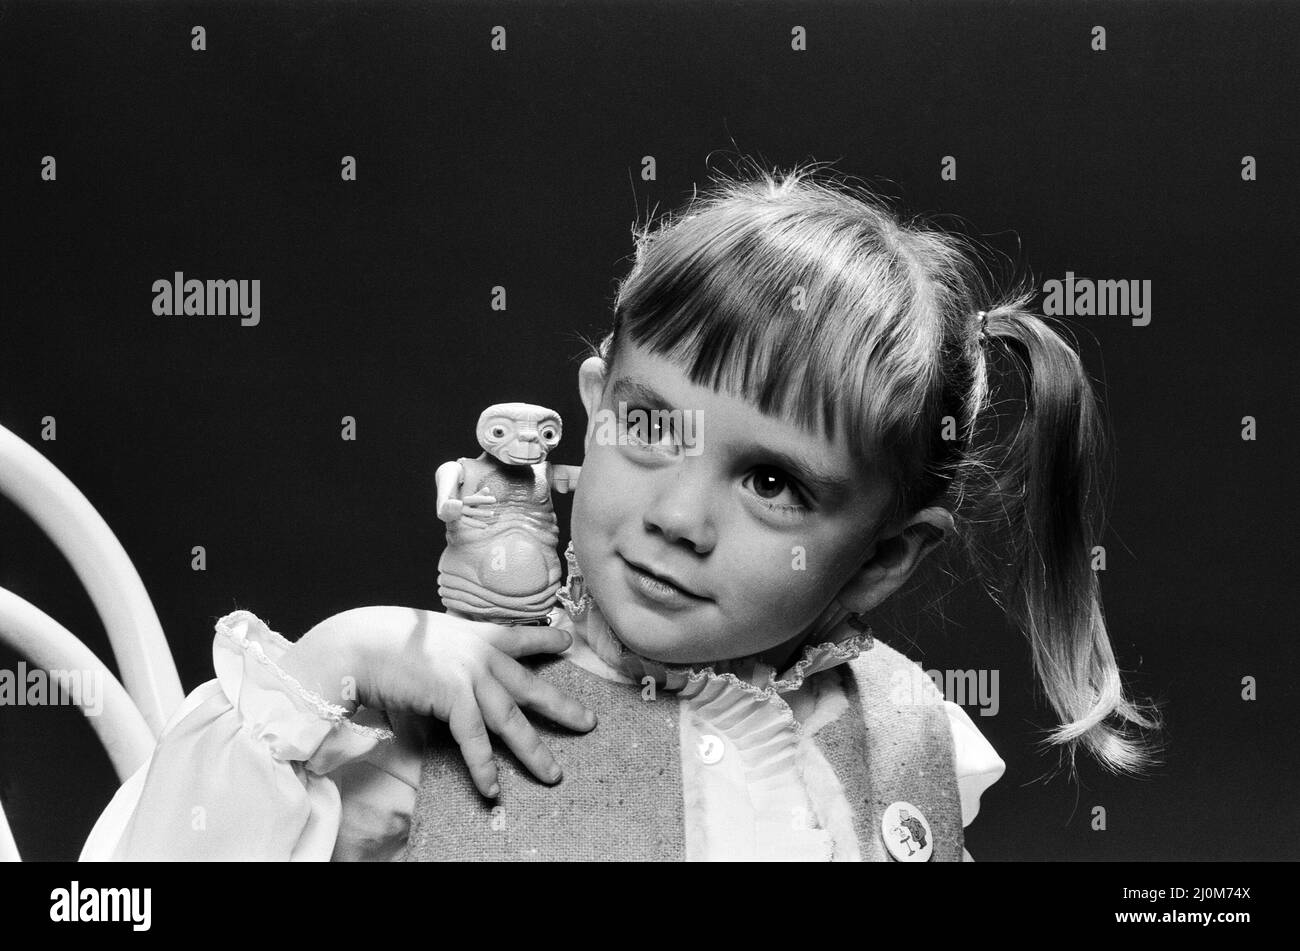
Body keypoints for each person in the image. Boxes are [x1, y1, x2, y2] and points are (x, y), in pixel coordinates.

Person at [81, 162, 1161, 861]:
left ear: (881, 560)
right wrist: (329, 668)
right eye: (654, 430)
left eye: (773, 484)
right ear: (595, 413)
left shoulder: (904, 735)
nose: (679, 517)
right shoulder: (457, 717)